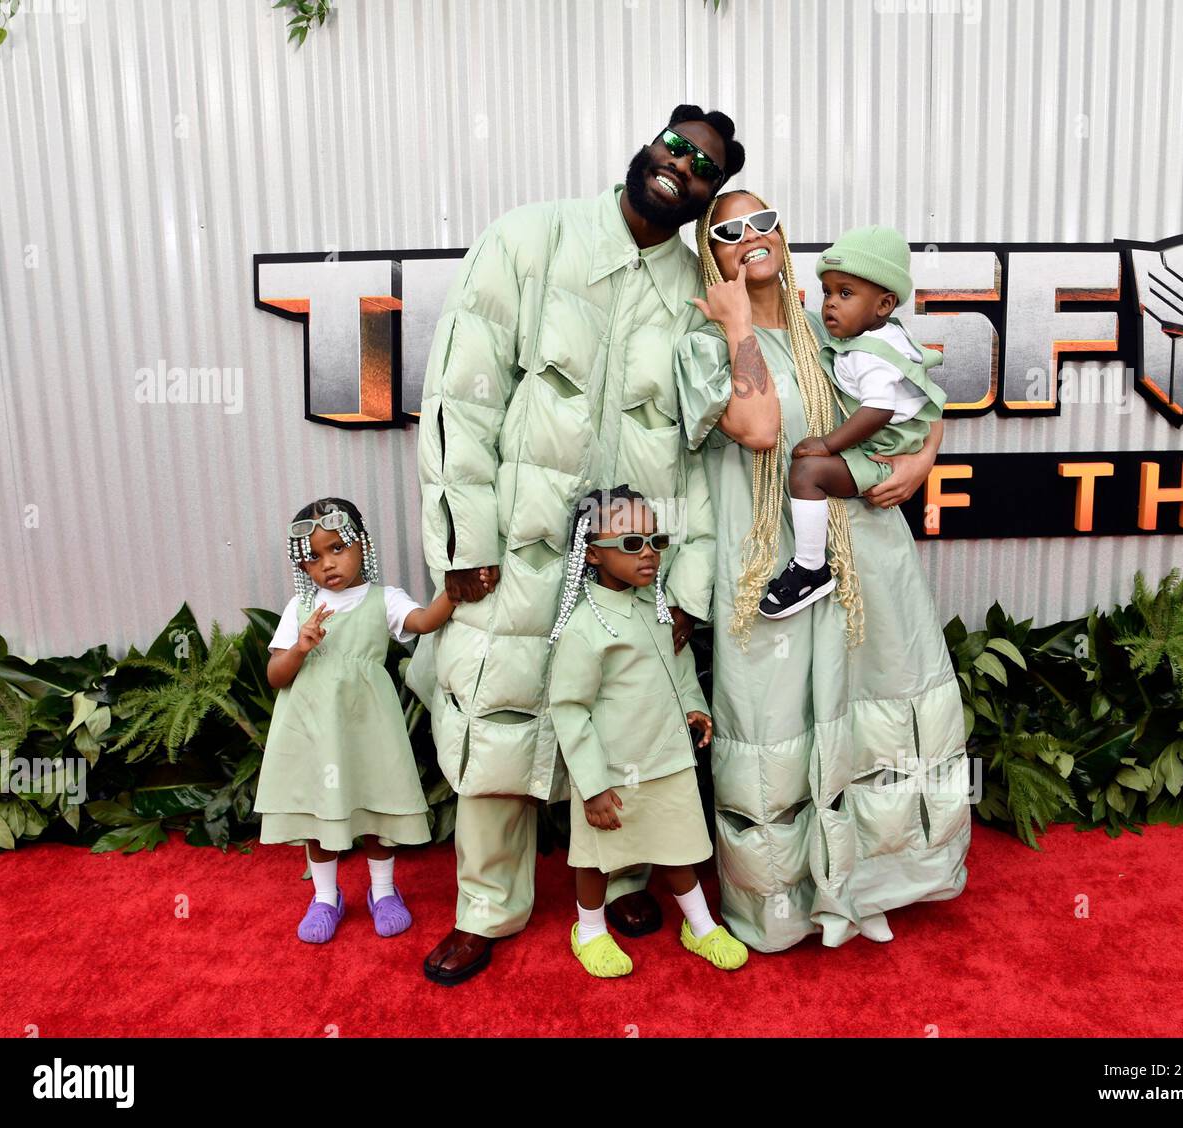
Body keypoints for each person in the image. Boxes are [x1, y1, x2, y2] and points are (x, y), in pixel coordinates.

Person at [408, 107, 745, 985]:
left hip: (633, 567)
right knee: (497, 712)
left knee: (632, 714)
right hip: (517, 552)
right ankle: (486, 906)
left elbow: (699, 458)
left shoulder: (693, 299)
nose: (680, 166)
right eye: (674, 146)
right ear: (645, 145)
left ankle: (628, 871)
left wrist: (689, 589)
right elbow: (460, 399)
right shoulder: (529, 240)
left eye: (702, 167)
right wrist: (462, 540)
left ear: (707, 197)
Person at [674, 191, 971, 953]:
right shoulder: (704, 344)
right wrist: (739, 322)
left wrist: (924, 457)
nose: (750, 237)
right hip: (767, 571)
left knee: (865, 707)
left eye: (762, 220)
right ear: (713, 253)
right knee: (775, 722)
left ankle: (867, 885)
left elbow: (918, 384)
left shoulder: (829, 326)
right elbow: (761, 428)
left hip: (864, 551)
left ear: (783, 232)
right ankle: (788, 905)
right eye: (728, 231)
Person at [548, 486, 748, 978]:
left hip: (667, 757)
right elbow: (570, 709)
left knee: (677, 844)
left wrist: (694, 707)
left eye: (656, 540)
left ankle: (699, 925)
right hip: (612, 769)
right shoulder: (583, 629)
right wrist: (592, 786)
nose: (650, 553)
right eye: (631, 543)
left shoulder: (657, 609)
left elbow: (678, 666)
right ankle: (590, 931)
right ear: (592, 554)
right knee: (596, 857)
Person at [254, 497, 468, 944]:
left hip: (368, 727)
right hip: (314, 731)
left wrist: (453, 589)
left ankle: (383, 892)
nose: (327, 564)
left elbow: (425, 621)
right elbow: (276, 676)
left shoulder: (383, 599)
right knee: (320, 816)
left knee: (376, 809)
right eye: (313, 558)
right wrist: (300, 648)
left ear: (362, 546)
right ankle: (325, 897)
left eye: (337, 548)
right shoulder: (301, 608)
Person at [759, 225, 948, 621]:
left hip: (883, 456)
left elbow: (878, 409)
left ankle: (811, 566)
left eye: (845, 294)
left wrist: (828, 445)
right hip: (888, 450)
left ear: (883, 305)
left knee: (808, 472)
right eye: (827, 292)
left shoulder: (869, 353)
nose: (830, 303)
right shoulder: (882, 338)